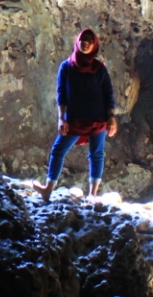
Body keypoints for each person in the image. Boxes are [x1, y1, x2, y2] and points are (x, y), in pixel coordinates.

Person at [32, 28, 117, 201]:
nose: (85, 42)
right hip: (75, 119)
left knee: (96, 154)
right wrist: (61, 118)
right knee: (58, 150)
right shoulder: (67, 66)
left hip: (98, 119)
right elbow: (61, 94)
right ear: (77, 42)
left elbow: (108, 94)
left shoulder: (99, 68)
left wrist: (111, 117)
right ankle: (48, 188)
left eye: (89, 40)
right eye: (83, 39)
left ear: (94, 45)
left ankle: (92, 194)